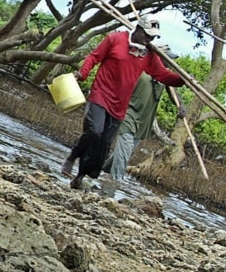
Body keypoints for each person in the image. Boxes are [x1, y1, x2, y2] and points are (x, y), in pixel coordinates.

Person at [61, 15, 183, 190]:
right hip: (101, 94)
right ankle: (72, 157)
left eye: (153, 36)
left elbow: (162, 75)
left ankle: (79, 177)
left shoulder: (148, 55)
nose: (150, 39)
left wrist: (183, 80)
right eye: (147, 34)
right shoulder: (115, 39)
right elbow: (94, 57)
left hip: (119, 106)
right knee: (94, 131)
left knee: (102, 146)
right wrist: (83, 73)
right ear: (139, 29)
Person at [103, 65, 168, 182]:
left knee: (125, 152)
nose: (168, 64)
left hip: (143, 122)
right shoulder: (140, 71)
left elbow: (175, 94)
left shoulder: (164, 77)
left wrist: (181, 106)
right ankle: (116, 181)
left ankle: (101, 169)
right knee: (125, 150)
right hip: (129, 115)